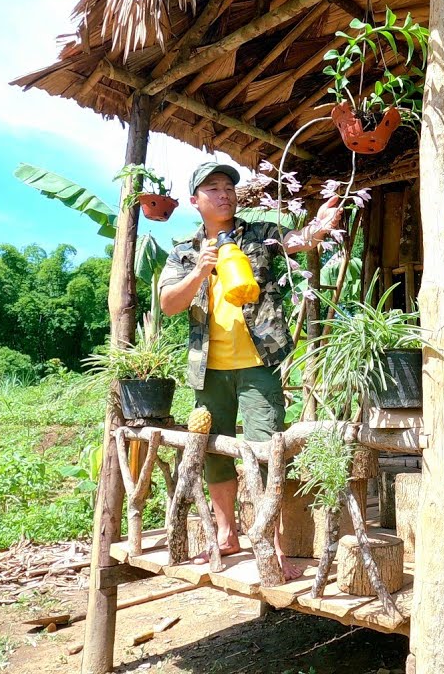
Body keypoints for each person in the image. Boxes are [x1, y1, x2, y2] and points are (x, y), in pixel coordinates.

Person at [158, 160, 340, 580]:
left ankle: (272, 545)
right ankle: (226, 536)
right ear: (195, 201)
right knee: (212, 454)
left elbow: (300, 240)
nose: (224, 194)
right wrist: (201, 270)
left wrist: (322, 223)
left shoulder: (259, 233)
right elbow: (169, 304)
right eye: (213, 189)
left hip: (260, 364)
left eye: (228, 187)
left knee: (265, 452)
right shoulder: (185, 251)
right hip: (209, 369)